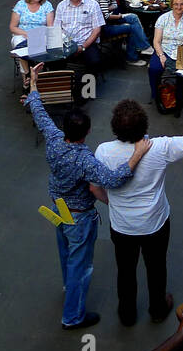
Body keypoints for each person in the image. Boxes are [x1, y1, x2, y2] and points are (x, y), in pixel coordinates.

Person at [27, 77, 149, 331]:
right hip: (79, 215)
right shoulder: (85, 161)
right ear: (88, 132)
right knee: (80, 266)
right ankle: (72, 316)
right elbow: (112, 179)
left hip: (59, 205)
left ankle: (66, 285)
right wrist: (137, 154)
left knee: (64, 249)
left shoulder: (53, 139)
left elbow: (40, 114)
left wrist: (34, 86)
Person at [94, 89, 183, 327]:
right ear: (144, 125)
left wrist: (112, 203)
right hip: (155, 222)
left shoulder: (102, 151)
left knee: (125, 271)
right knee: (156, 267)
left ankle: (127, 314)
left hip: (122, 226)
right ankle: (157, 309)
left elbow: (94, 188)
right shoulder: (159, 147)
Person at [91, 0, 153, 66]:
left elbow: (115, 5)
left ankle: (143, 47)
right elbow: (106, 16)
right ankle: (134, 56)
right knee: (132, 27)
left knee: (133, 17)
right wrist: (119, 16)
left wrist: (106, 8)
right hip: (102, 27)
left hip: (108, 20)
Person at [149, 0, 183, 113]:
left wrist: (181, 57)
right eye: (176, 4)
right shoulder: (163, 19)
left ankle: (179, 99)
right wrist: (161, 55)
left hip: (181, 52)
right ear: (172, 4)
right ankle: (156, 95)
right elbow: (156, 41)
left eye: (181, 4)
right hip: (164, 50)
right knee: (154, 68)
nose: (179, 7)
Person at [9, 0, 56, 93]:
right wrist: (26, 34)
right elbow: (12, 27)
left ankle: (32, 78)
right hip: (22, 34)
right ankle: (28, 74)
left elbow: (50, 27)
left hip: (40, 35)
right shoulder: (20, 5)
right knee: (19, 45)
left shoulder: (47, 5)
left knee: (39, 47)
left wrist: (37, 35)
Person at [55, 0, 105, 78]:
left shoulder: (93, 5)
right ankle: (63, 86)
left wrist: (82, 47)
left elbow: (97, 30)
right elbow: (56, 29)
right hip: (66, 43)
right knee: (53, 62)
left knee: (94, 61)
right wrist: (69, 45)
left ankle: (88, 90)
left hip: (86, 43)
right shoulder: (61, 5)